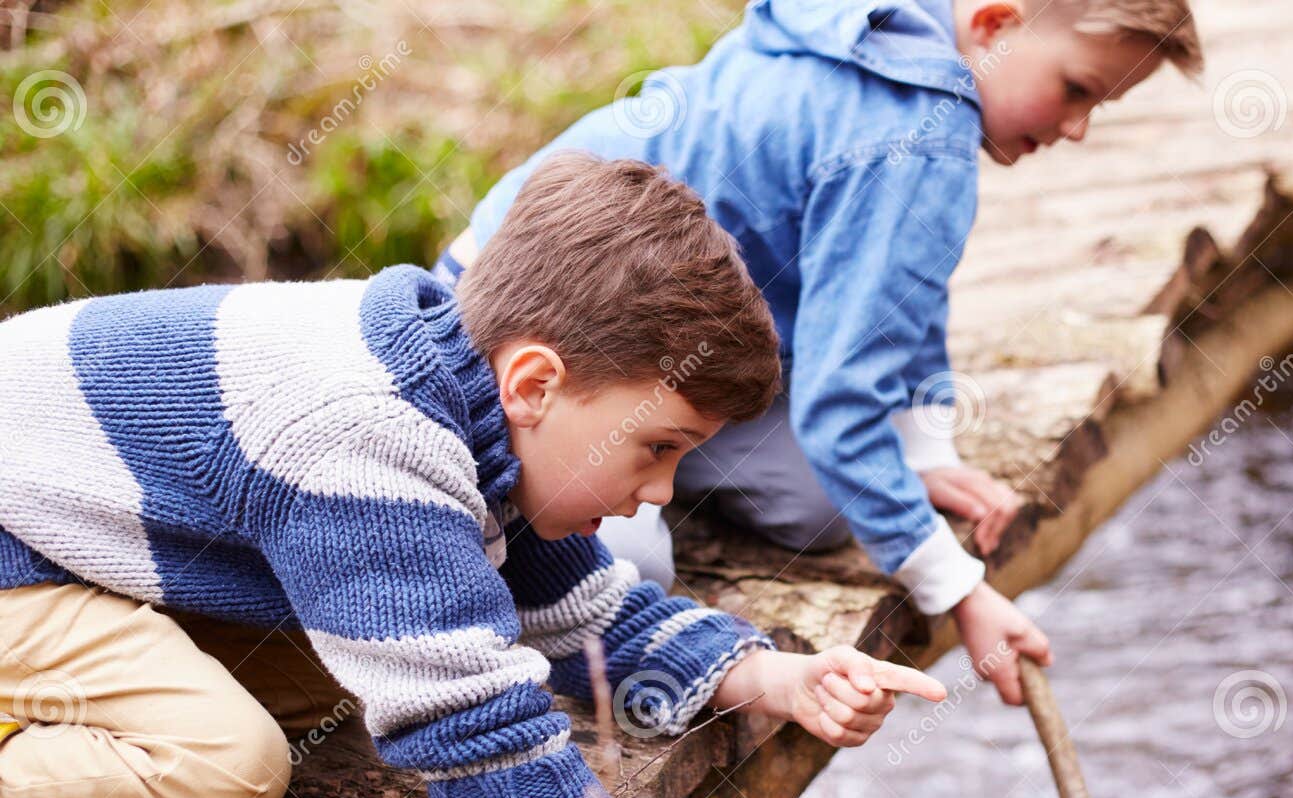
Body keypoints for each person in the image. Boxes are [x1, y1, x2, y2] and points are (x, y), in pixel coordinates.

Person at [0, 154, 945, 798]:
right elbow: (488, 741)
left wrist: (778, 674)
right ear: (535, 383)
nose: (661, 492)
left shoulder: (470, 399)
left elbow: (575, 614)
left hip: (86, 550)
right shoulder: (366, 441)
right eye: (655, 446)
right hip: (16, 553)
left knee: (356, 669)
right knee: (226, 762)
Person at [437, 0, 1204, 704]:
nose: (1078, 129)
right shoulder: (919, 134)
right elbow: (841, 410)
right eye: (1077, 91)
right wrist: (959, 590)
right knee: (636, 568)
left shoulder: (874, 30)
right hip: (544, 339)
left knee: (824, 503)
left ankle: (658, 446)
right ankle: (462, 560)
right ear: (998, 25)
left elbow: (901, 292)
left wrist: (920, 446)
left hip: (591, 313)